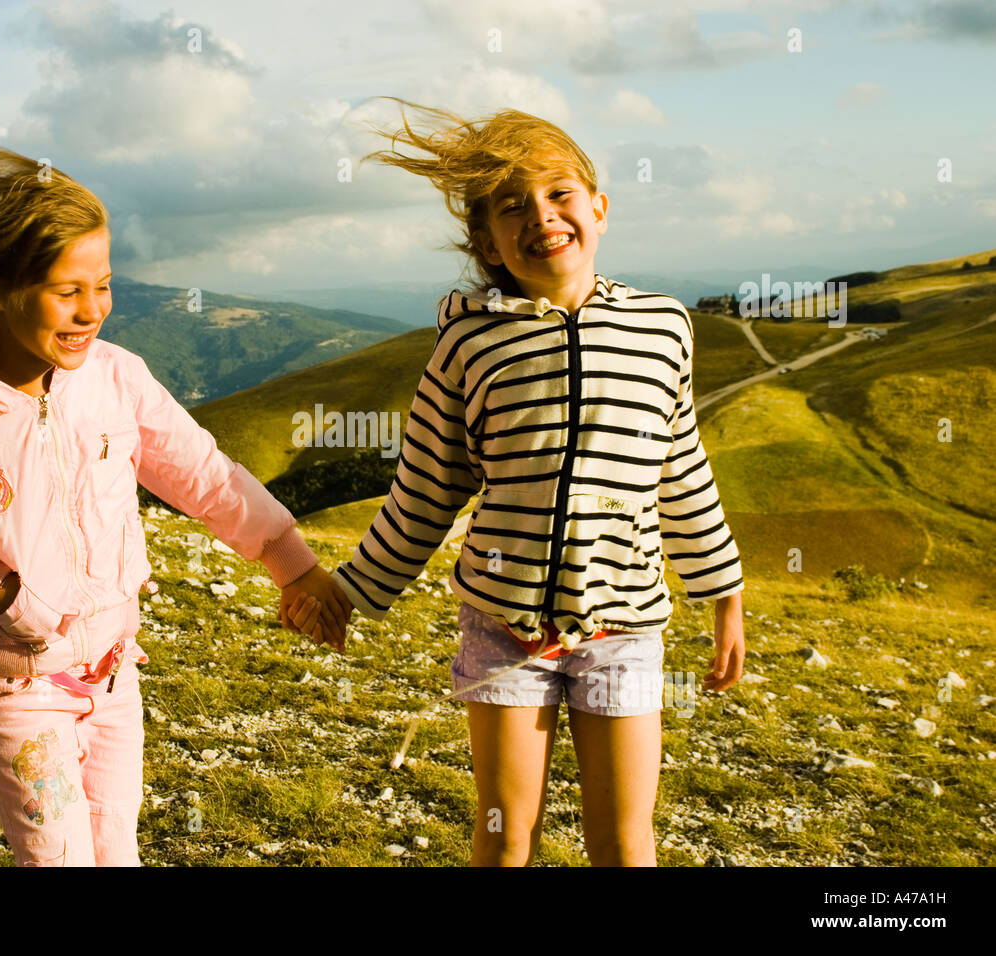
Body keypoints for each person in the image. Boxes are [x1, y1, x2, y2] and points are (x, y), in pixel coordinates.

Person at [0, 146, 347, 866]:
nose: (92, 311)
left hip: (117, 677)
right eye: (67, 291)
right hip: (18, 689)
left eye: (105, 285)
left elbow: (204, 474)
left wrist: (290, 562)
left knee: (117, 852)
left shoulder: (117, 379)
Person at [288, 99, 746, 867]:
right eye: (511, 206)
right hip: (502, 627)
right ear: (487, 241)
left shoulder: (664, 327)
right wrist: (350, 591)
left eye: (559, 193)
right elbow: (427, 486)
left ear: (599, 206)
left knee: (626, 845)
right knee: (505, 839)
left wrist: (723, 594)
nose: (540, 215)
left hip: (625, 629)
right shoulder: (469, 342)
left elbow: (683, 468)